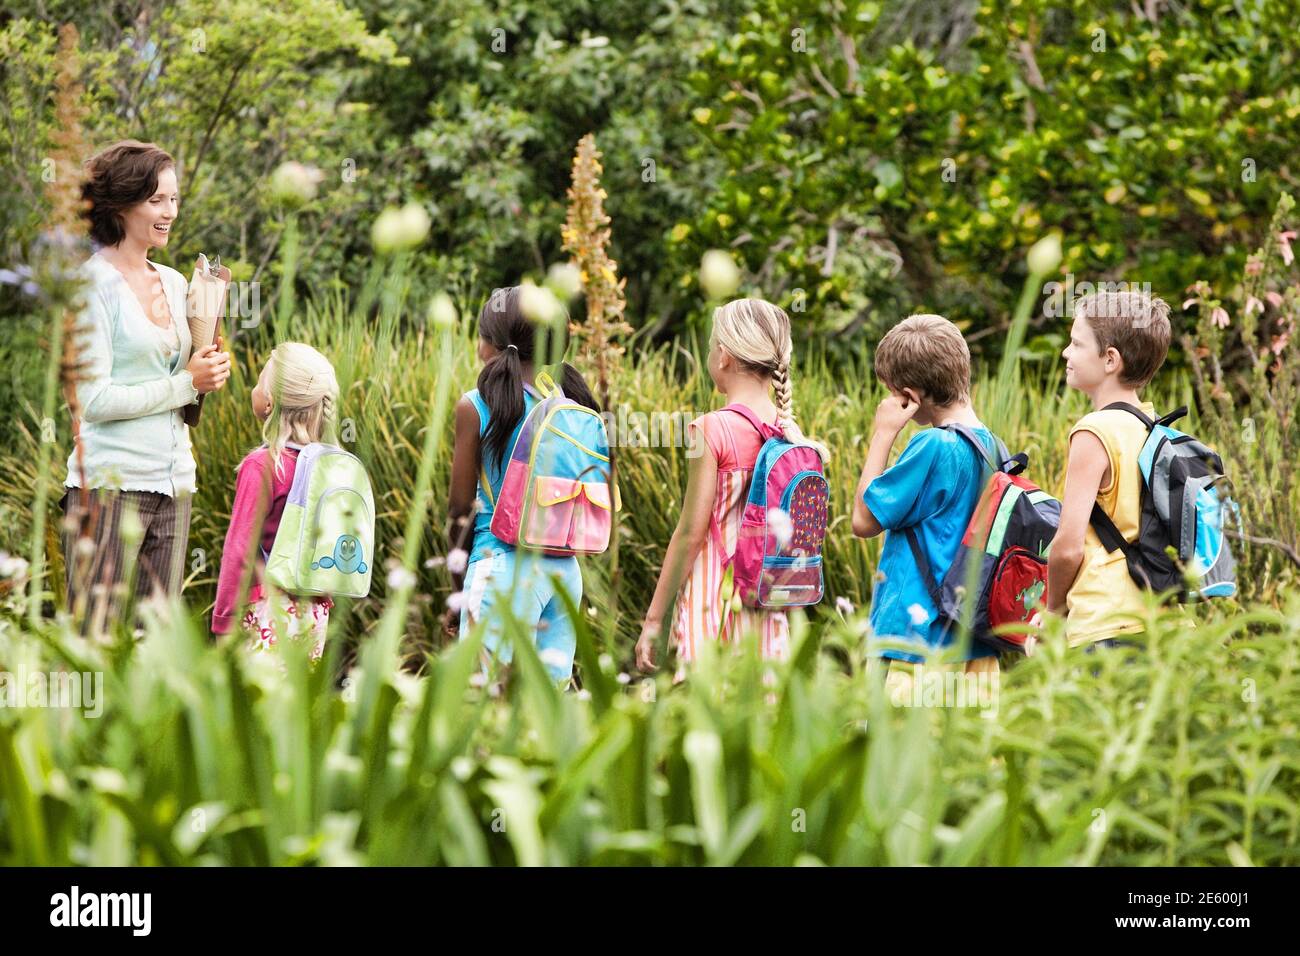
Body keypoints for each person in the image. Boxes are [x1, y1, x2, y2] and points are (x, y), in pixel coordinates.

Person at [63, 140, 230, 631]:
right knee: (93, 643)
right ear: (120, 205)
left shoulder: (176, 282)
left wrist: (207, 373)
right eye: (157, 200)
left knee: (155, 649)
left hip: (174, 483)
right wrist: (184, 384)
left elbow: (184, 379)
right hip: (109, 489)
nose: (170, 211)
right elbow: (93, 400)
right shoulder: (91, 286)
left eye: (174, 199)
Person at [637, 297, 820, 679]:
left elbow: (690, 534)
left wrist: (654, 620)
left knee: (708, 716)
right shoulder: (791, 436)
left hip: (714, 600)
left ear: (723, 357)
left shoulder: (711, 429)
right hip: (768, 602)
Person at [446, 286, 601, 684]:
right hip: (565, 574)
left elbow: (459, 510)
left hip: (501, 567)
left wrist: (457, 587)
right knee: (547, 715)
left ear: (492, 345)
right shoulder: (573, 402)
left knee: (490, 713)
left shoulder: (477, 406)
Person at [850, 314, 1000, 695]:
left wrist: (883, 433)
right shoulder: (994, 448)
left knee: (903, 753)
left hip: (917, 645)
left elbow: (863, 521)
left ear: (910, 396)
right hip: (975, 643)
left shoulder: (934, 446)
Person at [1046, 290, 1172, 648]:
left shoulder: (1094, 432)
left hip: (1106, 623)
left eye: (1076, 343)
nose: (1066, 353)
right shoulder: (1153, 427)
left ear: (1110, 360)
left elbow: (1068, 546)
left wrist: (1053, 609)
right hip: (1164, 620)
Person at [211, 343, 340, 659]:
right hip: (315, 610)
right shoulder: (332, 465)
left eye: (259, 382)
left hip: (267, 610)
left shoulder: (264, 465)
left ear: (269, 402)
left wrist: (223, 620)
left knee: (259, 702)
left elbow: (239, 548)